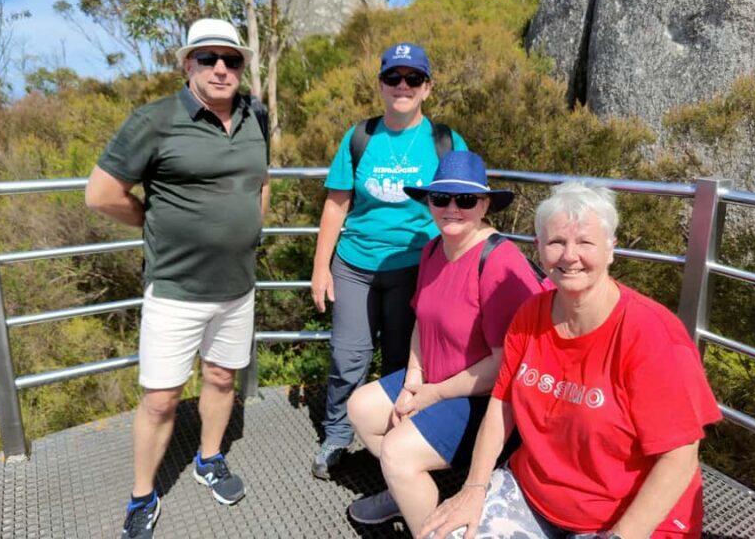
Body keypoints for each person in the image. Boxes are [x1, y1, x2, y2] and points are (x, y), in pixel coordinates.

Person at [419, 182, 723, 539]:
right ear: (539, 249)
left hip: (629, 518)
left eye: (585, 242)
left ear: (611, 249)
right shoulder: (530, 315)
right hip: (535, 496)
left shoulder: (651, 335)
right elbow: (502, 405)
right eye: (557, 242)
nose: (569, 255)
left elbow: (680, 456)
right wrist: (474, 488)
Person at [85, 18, 270, 539]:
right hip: (175, 289)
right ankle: (143, 494)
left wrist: (253, 226)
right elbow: (100, 193)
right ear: (187, 63)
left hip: (238, 286)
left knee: (221, 378)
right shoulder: (155, 120)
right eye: (208, 58)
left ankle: (210, 459)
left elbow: (260, 179)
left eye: (231, 60)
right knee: (161, 398)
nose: (220, 69)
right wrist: (151, 222)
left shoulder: (255, 112)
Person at [345, 150, 549, 535]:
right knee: (361, 409)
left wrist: (432, 394)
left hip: (483, 398)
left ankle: (434, 526)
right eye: (441, 199)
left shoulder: (499, 262)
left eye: (466, 200)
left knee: (398, 451)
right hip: (436, 379)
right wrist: (412, 383)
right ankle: (406, 492)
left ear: (485, 204)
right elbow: (422, 321)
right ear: (429, 202)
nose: (452, 209)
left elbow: (504, 364)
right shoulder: (434, 248)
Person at [310, 42, 468, 479]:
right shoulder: (360, 137)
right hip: (355, 264)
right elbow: (336, 205)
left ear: (427, 88)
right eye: (393, 78)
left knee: (402, 362)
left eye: (413, 78)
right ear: (380, 84)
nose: (403, 86)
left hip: (417, 270)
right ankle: (338, 436)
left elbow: (467, 207)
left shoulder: (444, 142)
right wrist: (321, 267)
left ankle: (396, 444)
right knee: (349, 357)